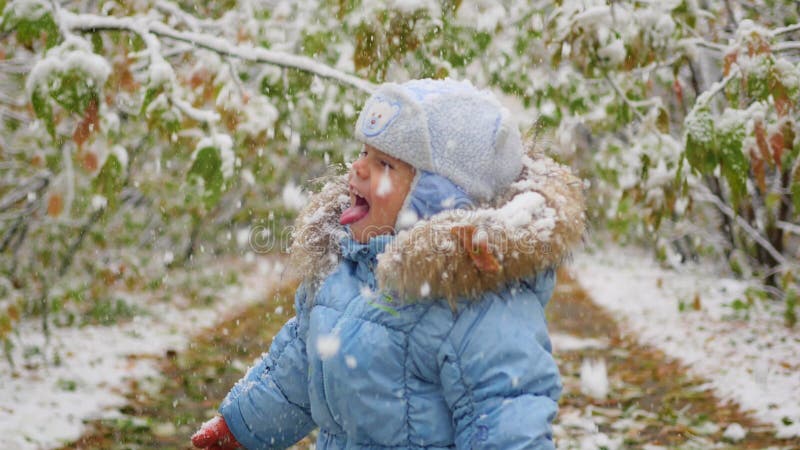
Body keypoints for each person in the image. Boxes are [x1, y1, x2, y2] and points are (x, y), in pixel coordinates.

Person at [191, 78, 585, 450]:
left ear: (437, 201)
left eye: (385, 164)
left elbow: (505, 416)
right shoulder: (343, 270)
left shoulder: (473, 301)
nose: (358, 168)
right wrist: (242, 426)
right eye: (364, 152)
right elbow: (301, 361)